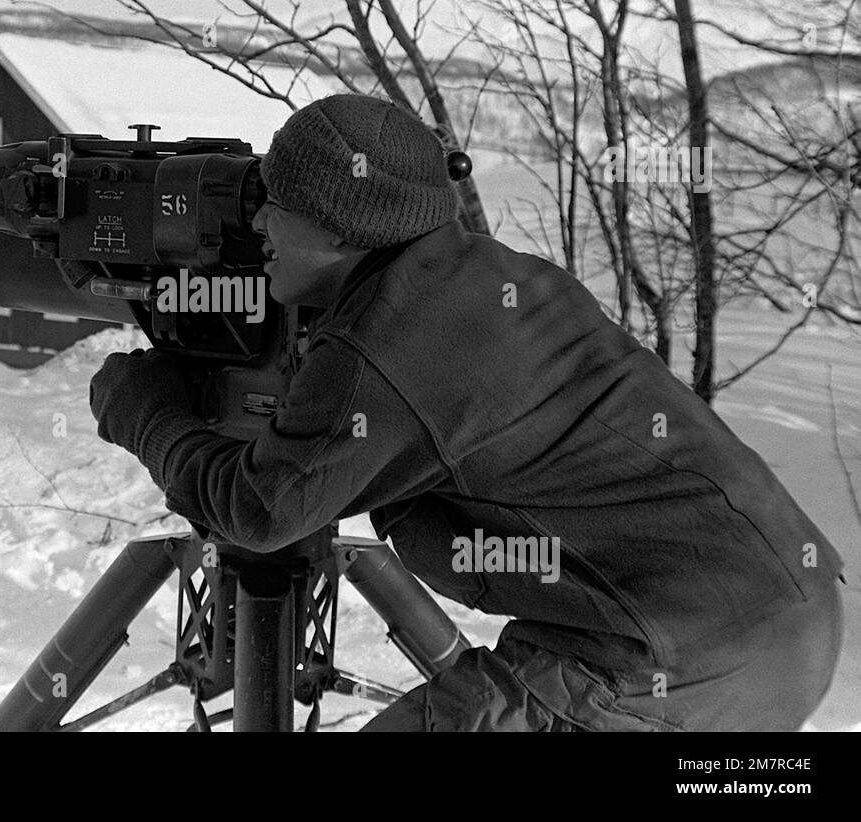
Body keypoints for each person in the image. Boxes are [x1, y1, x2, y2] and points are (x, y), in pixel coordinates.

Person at [87, 93, 845, 731]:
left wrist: (145, 413)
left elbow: (260, 511)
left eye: (274, 207)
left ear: (342, 226)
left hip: (667, 660)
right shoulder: (495, 276)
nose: (256, 230)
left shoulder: (383, 349)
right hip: (788, 622)